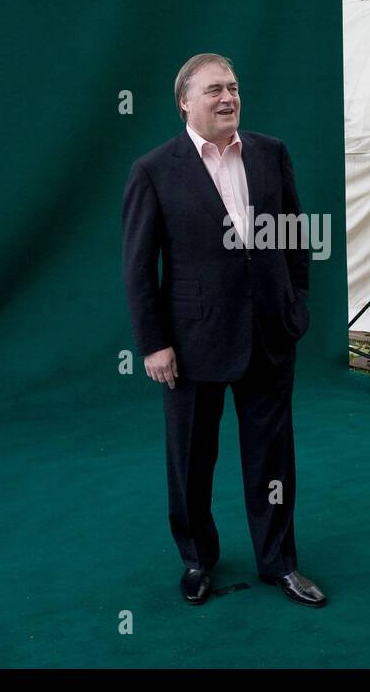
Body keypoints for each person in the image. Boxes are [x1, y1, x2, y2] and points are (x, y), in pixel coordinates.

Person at [121, 53, 325, 608]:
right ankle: (197, 559)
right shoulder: (154, 171)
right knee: (191, 459)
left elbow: (293, 237)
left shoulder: (270, 153)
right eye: (213, 90)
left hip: (268, 335)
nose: (227, 97)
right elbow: (139, 268)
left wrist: (295, 305)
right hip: (191, 344)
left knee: (272, 458)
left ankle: (279, 563)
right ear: (185, 102)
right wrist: (154, 343)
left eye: (232, 87)